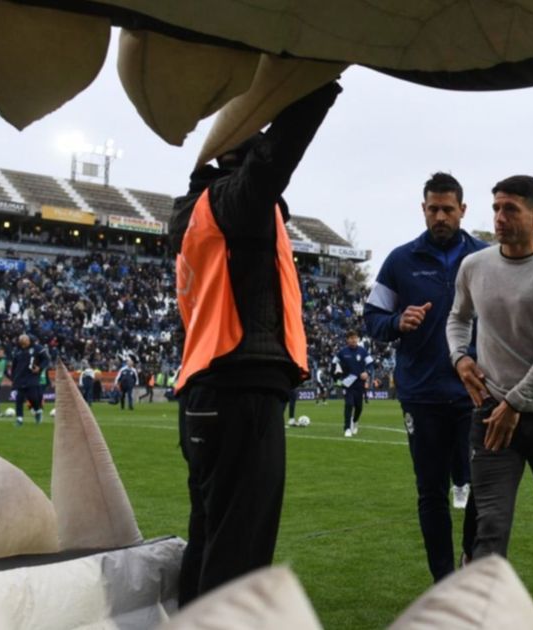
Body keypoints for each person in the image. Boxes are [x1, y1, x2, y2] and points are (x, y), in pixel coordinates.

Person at [168, 81, 339, 605]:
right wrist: (316, 84)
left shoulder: (196, 211)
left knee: (211, 539)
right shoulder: (229, 201)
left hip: (209, 390)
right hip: (240, 389)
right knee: (240, 550)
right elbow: (272, 161)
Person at [446, 174, 533, 589]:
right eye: (496, 208)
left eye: (511, 209)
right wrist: (459, 357)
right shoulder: (474, 266)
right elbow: (457, 318)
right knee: (490, 526)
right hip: (492, 415)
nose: (500, 217)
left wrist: (517, 403)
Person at [363, 171, 485, 582]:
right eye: (433, 209)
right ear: (423, 209)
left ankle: (470, 558)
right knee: (430, 492)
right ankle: (443, 581)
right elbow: (372, 318)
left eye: (448, 209)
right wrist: (398, 321)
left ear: (462, 210)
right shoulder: (401, 260)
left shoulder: (486, 257)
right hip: (423, 393)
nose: (440, 216)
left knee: (482, 488)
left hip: (476, 392)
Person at [333, 331, 373, 437]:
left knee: (359, 407)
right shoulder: (342, 352)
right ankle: (347, 428)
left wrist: (367, 372)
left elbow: (371, 364)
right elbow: (333, 365)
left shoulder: (363, 351)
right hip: (347, 384)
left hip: (359, 384)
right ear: (347, 339)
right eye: (351, 338)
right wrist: (337, 381)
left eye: (355, 338)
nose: (353, 340)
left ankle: (355, 422)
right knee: (349, 404)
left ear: (358, 339)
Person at [9, 334, 49, 426]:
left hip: (32, 376)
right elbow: (14, 366)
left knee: (33, 397)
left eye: (24, 342)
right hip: (20, 378)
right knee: (19, 399)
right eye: (21, 343)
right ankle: (19, 419)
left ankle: (38, 411)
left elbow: (46, 359)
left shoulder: (37, 348)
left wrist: (40, 368)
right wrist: (13, 378)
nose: (23, 344)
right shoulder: (18, 351)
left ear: (28, 340)